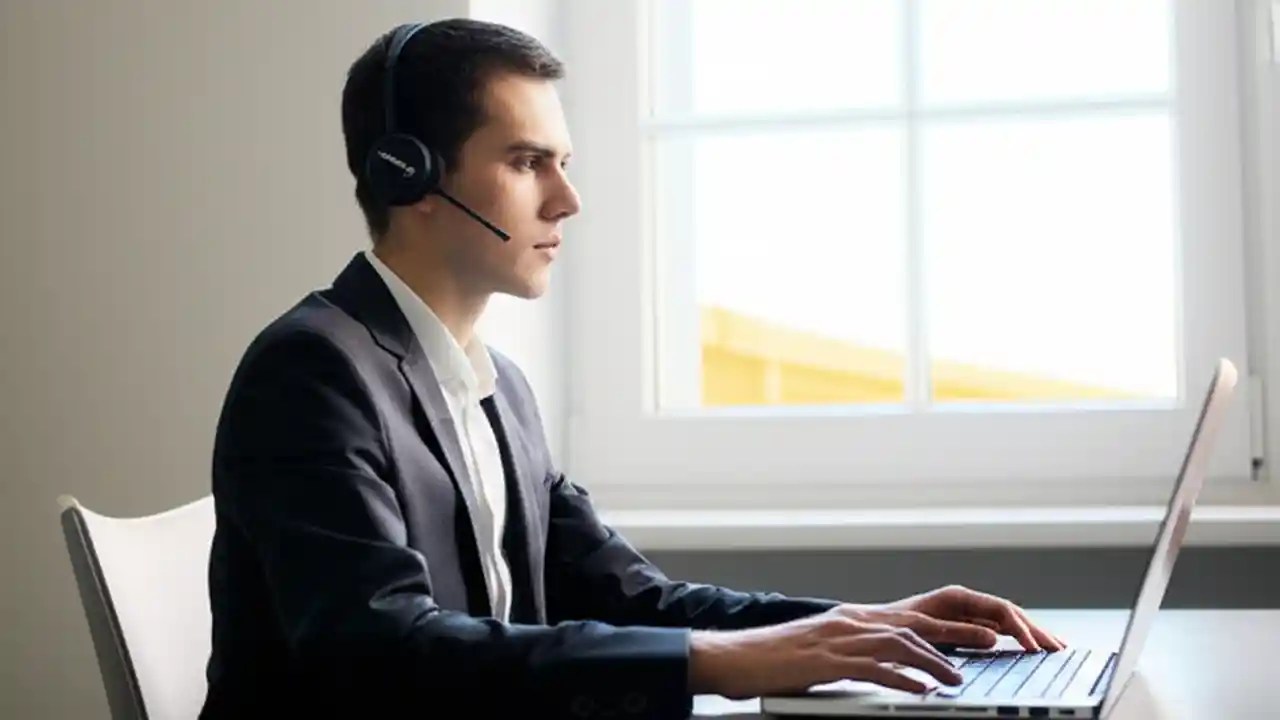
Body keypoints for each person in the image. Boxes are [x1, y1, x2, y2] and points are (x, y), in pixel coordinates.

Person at [200, 18, 1064, 720]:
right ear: (408, 175)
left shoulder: (495, 384)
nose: (566, 199)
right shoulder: (313, 372)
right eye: (526, 162)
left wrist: (861, 626)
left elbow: (635, 601)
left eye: (562, 164)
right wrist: (719, 664)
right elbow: (382, 653)